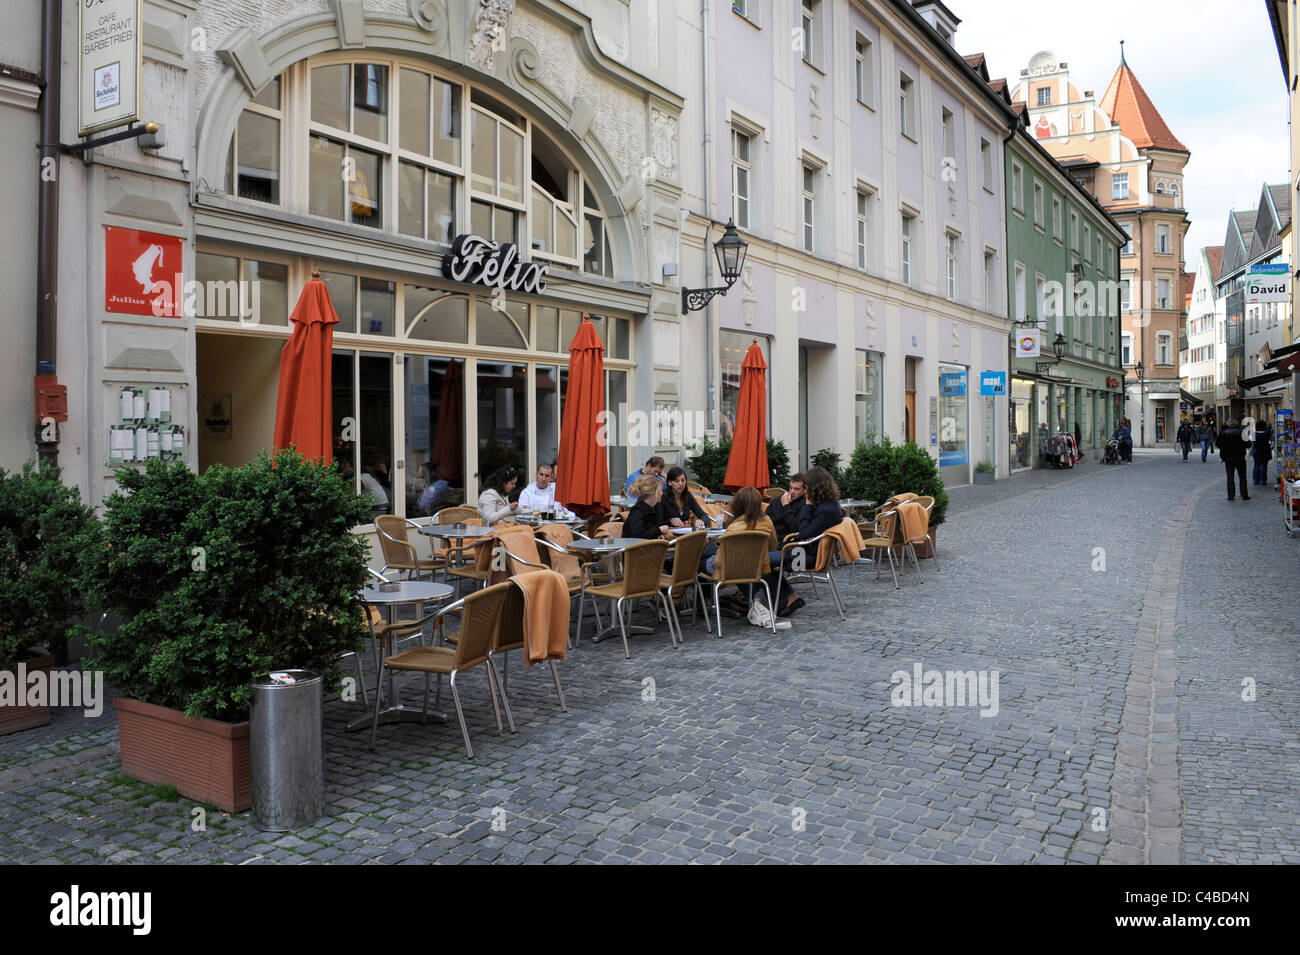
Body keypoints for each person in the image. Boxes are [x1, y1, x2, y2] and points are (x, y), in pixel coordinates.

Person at [703, 486, 789, 630]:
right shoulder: (767, 521)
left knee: (700, 559)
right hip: (756, 566)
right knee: (709, 552)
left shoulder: (733, 528)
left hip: (731, 570)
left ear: (738, 504)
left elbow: (719, 561)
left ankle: (703, 603)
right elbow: (773, 546)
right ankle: (753, 598)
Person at [769, 465, 844, 618]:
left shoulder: (826, 510)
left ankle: (783, 598)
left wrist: (808, 505)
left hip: (806, 557)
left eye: (808, 487)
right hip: (806, 551)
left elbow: (803, 533)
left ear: (816, 487)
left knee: (760, 561)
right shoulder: (829, 505)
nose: (806, 491)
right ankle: (789, 597)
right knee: (765, 559)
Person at [622, 474, 671, 539]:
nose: (662, 493)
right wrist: (659, 530)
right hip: (634, 548)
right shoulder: (637, 512)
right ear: (654, 492)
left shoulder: (653, 508)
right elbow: (638, 535)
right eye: (660, 490)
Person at [765, 473, 807, 540]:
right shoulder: (777, 501)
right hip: (769, 538)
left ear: (805, 490)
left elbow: (794, 528)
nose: (792, 492)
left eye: (797, 489)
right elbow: (766, 521)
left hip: (787, 541)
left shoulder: (805, 504)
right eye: (791, 488)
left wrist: (786, 506)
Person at [1217, 418, 1249, 501]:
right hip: (1240, 456)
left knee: (1230, 477)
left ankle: (1231, 495)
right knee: (1242, 476)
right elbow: (1248, 444)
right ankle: (1244, 494)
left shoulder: (1223, 433)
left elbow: (1218, 444)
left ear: (1228, 424)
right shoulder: (1242, 432)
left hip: (1228, 457)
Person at [1252, 420, 1275, 487]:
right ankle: (1263, 480)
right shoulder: (1267, 433)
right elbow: (1272, 441)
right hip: (1265, 451)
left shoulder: (1254, 433)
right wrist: (1271, 447)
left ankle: (1256, 480)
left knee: (1256, 465)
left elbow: (1252, 443)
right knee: (1264, 466)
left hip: (1256, 451)